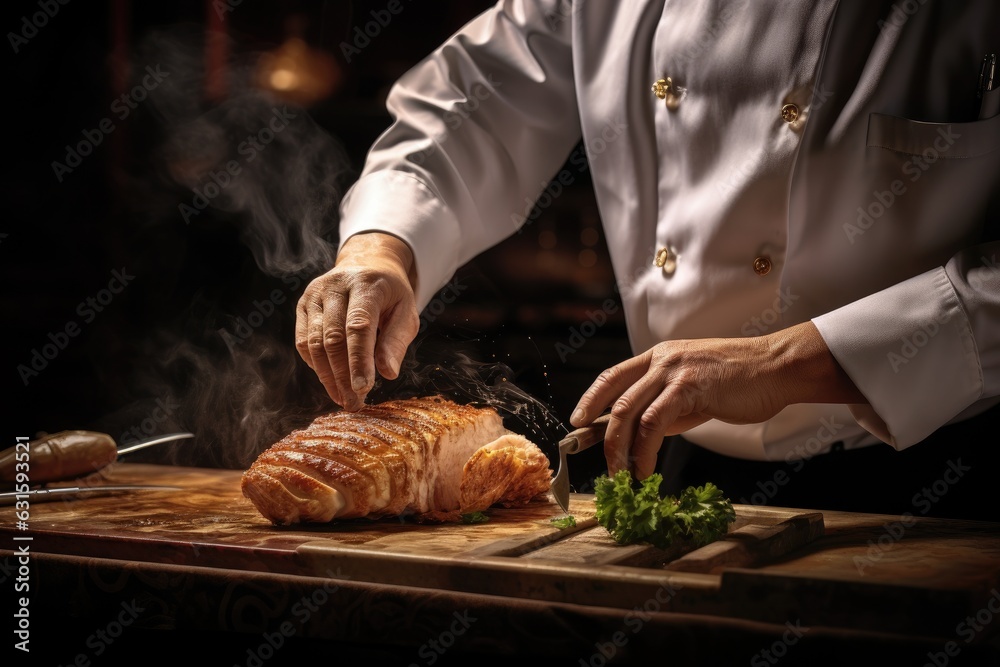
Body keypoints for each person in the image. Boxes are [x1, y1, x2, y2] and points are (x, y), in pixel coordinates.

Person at [295, 1, 999, 518]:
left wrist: (782, 363)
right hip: (673, 461)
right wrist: (383, 246)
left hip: (934, 475)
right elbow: (473, 102)